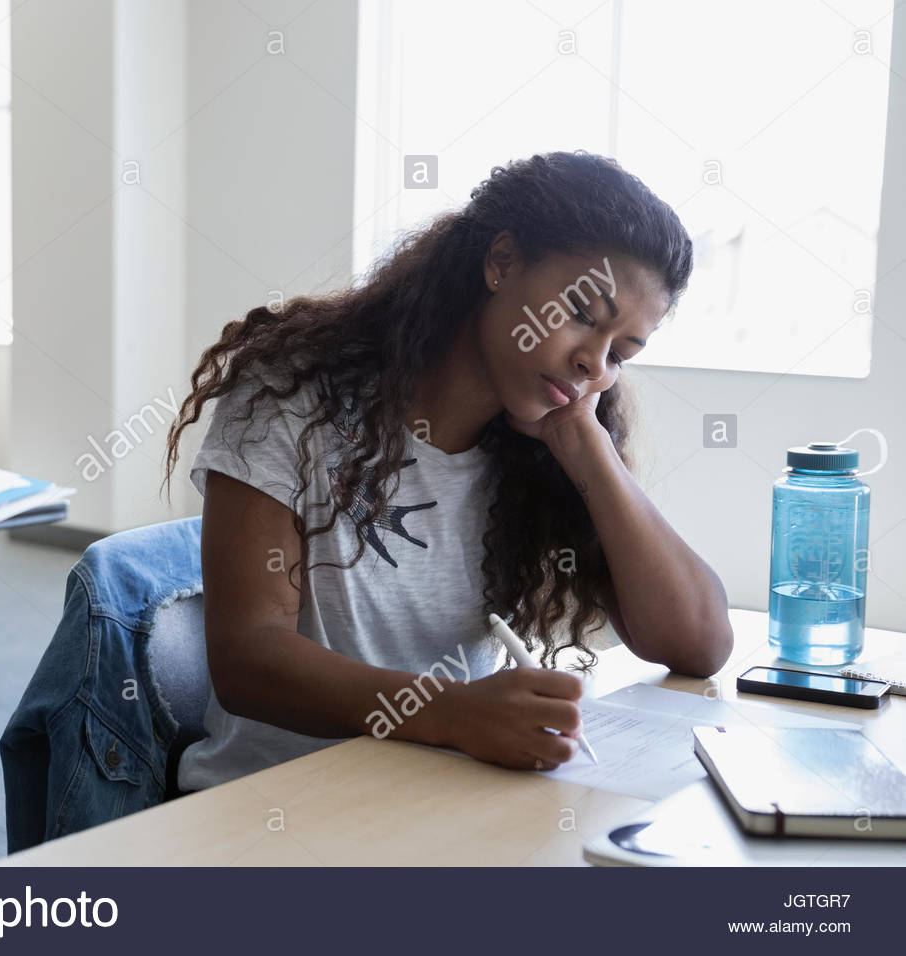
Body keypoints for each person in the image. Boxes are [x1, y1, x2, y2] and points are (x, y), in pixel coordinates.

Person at [161, 151, 734, 791]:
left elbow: (698, 646)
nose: (592, 366)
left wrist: (587, 447)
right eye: (581, 316)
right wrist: (455, 713)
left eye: (620, 354)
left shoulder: (542, 449)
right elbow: (249, 660)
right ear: (502, 262)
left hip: (446, 798)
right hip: (276, 812)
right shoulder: (290, 397)